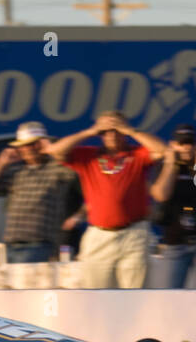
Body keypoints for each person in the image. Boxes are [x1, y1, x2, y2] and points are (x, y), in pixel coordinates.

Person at [46, 111, 166, 288]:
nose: (111, 134)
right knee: (96, 294)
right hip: (99, 236)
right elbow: (55, 151)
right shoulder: (88, 156)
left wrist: (130, 130)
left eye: (116, 130)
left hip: (134, 234)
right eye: (106, 131)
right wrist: (89, 132)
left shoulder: (137, 155)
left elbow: (162, 150)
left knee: (135, 293)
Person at [0, 121, 76, 264]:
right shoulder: (17, 171)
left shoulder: (56, 170)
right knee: (13, 285)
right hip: (12, 243)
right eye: (22, 146)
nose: (25, 150)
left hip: (39, 244)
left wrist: (51, 149)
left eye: (30, 145)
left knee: (26, 286)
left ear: (41, 145)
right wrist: (2, 162)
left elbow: (73, 170)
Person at [149, 124, 196, 288]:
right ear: (173, 145)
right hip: (175, 241)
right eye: (181, 143)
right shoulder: (165, 166)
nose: (186, 147)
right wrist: (171, 164)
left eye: (190, 143)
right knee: (168, 293)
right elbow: (161, 194)